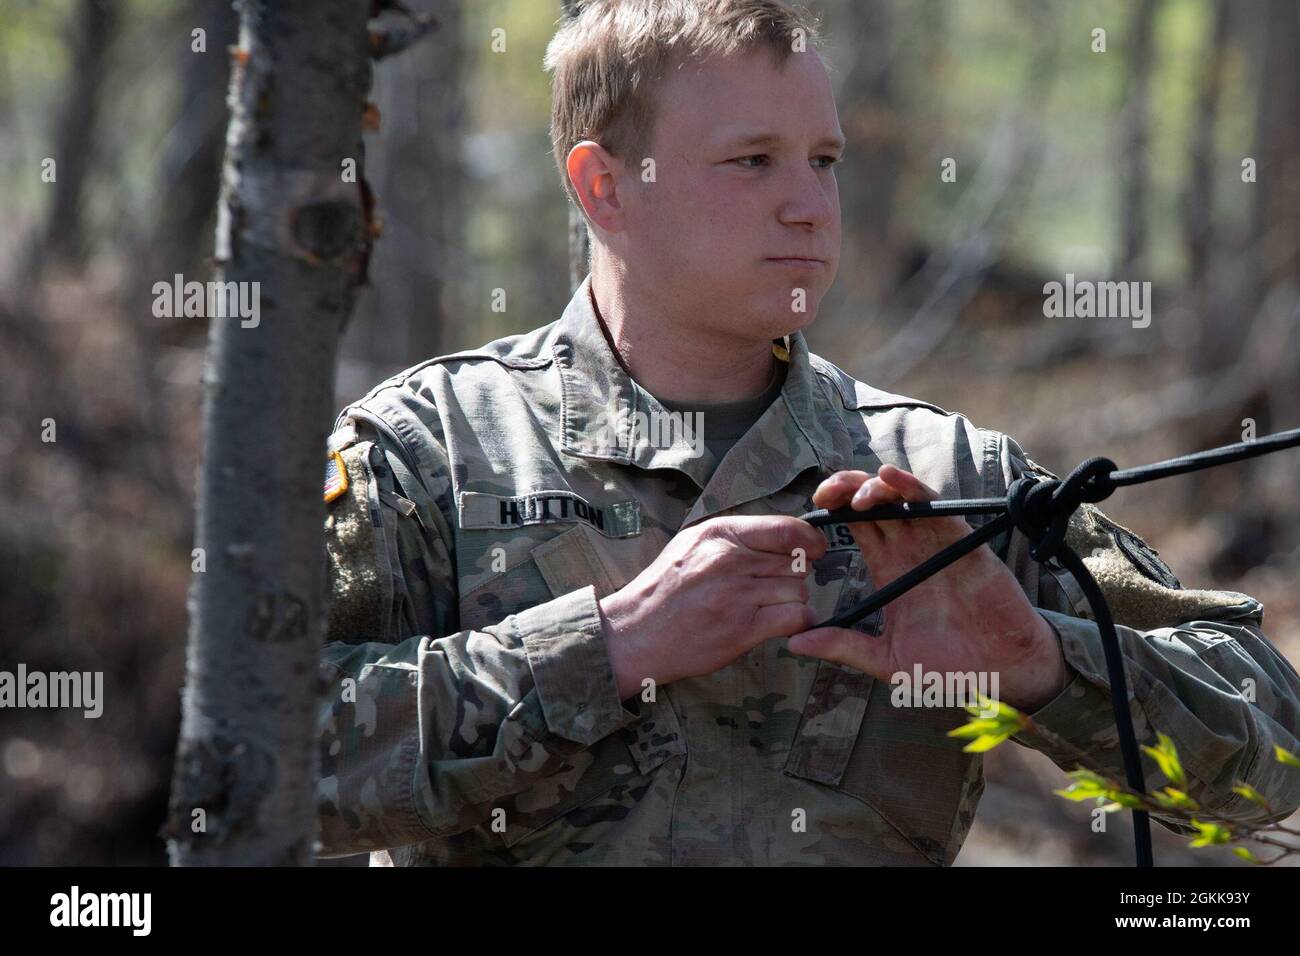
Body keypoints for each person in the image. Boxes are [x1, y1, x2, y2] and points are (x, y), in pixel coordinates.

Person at [315, 0, 1300, 865]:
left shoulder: (940, 476)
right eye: (752, 161)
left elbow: (1273, 760)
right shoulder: (425, 453)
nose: (809, 206)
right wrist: (603, 648)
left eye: (823, 161)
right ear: (604, 187)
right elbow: (254, 767)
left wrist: (1043, 661)